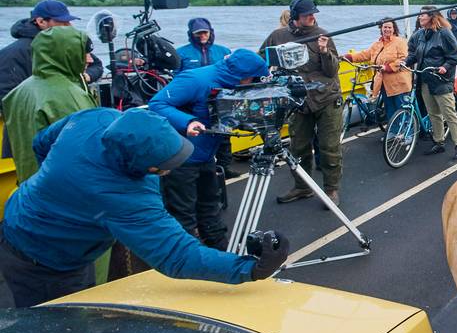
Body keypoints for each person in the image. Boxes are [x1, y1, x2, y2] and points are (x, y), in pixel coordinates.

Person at [0, 108, 289, 308]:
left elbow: (42, 143)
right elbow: (178, 257)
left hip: (21, 212)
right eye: (164, 168)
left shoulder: (97, 118)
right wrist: (252, 269)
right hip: (43, 262)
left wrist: (57, 187)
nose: (168, 172)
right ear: (146, 167)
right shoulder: (121, 197)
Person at [149, 49, 270, 248]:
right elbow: (157, 103)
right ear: (243, 76)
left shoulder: (231, 84)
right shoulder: (195, 79)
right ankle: (187, 255)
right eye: (253, 79)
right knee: (183, 211)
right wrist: (188, 122)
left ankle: (219, 247)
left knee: (210, 205)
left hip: (205, 155)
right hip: (181, 158)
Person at [260, 0, 343, 205]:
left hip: (327, 99)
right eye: (308, 15)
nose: (312, 18)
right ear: (296, 17)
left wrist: (324, 52)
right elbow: (260, 59)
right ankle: (302, 187)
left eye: (314, 14)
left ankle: (331, 190)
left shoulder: (322, 35)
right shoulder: (278, 36)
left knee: (329, 148)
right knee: (298, 148)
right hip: (297, 102)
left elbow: (332, 71)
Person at [2, 26, 94, 182]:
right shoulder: (67, 95)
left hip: (30, 185)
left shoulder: (20, 91)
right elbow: (87, 151)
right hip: (62, 191)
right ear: (67, 53)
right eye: (84, 52)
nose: (90, 59)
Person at [0, 0, 103, 102]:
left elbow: (96, 65)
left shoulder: (66, 44)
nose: (69, 26)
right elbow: (6, 97)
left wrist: (85, 76)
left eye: (68, 22)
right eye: (62, 22)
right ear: (41, 21)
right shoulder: (13, 54)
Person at [175, 17, 239, 179]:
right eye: (198, 33)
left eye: (205, 32)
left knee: (224, 135)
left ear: (211, 32)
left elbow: (233, 73)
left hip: (220, 101)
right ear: (191, 34)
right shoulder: (182, 53)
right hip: (194, 103)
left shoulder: (223, 51)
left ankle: (224, 167)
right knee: (198, 134)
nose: (202, 35)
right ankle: (198, 168)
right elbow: (176, 79)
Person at [406, 5, 457, 160]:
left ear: (432, 16)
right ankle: (439, 142)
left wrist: (445, 67)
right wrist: (404, 62)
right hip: (425, 80)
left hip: (441, 80)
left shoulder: (444, 33)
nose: (420, 17)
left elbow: (456, 54)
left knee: (449, 113)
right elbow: (413, 53)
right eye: (419, 15)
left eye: (422, 15)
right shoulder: (419, 34)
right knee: (433, 114)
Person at [341, 19, 411, 123]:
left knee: (401, 108)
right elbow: (365, 54)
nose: (387, 29)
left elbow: (404, 59)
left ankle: (407, 133)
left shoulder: (400, 42)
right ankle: (393, 132)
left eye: (389, 27)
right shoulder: (377, 44)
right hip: (383, 83)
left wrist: (388, 67)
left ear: (394, 29)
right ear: (381, 29)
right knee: (389, 109)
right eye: (384, 27)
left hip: (398, 82)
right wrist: (347, 57)